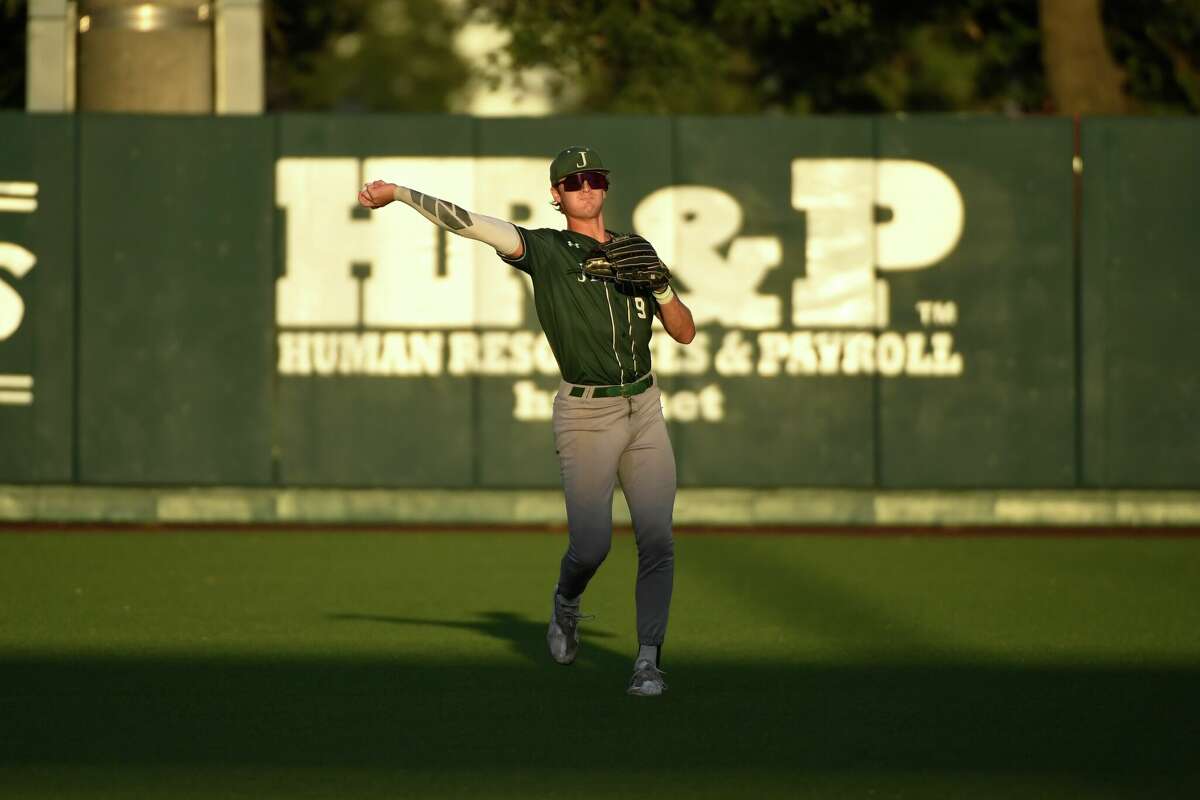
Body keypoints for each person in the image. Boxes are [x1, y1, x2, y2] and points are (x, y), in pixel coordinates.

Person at [358, 146, 696, 696]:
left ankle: (647, 662)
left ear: (605, 186)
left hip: (644, 407)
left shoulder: (635, 250)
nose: (586, 188)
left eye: (594, 178)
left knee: (657, 540)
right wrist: (398, 193)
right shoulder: (545, 248)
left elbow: (684, 332)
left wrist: (660, 285)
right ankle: (566, 601)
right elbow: (468, 223)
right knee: (592, 547)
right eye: (573, 181)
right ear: (556, 195)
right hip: (586, 413)